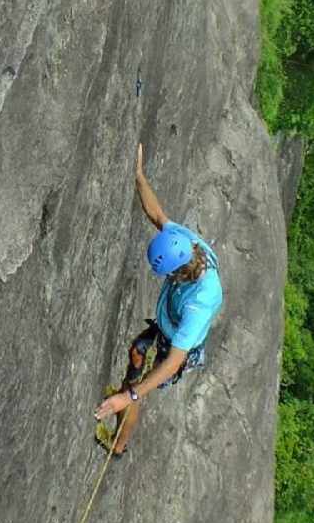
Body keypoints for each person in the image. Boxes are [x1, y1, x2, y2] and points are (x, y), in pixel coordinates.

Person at [93, 144, 223, 455]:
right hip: (167, 326)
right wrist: (139, 177)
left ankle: (119, 444)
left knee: (135, 389)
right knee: (136, 354)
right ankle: (127, 391)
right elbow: (158, 215)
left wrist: (129, 397)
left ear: (178, 273)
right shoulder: (186, 245)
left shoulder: (199, 301)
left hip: (176, 345)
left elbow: (174, 361)